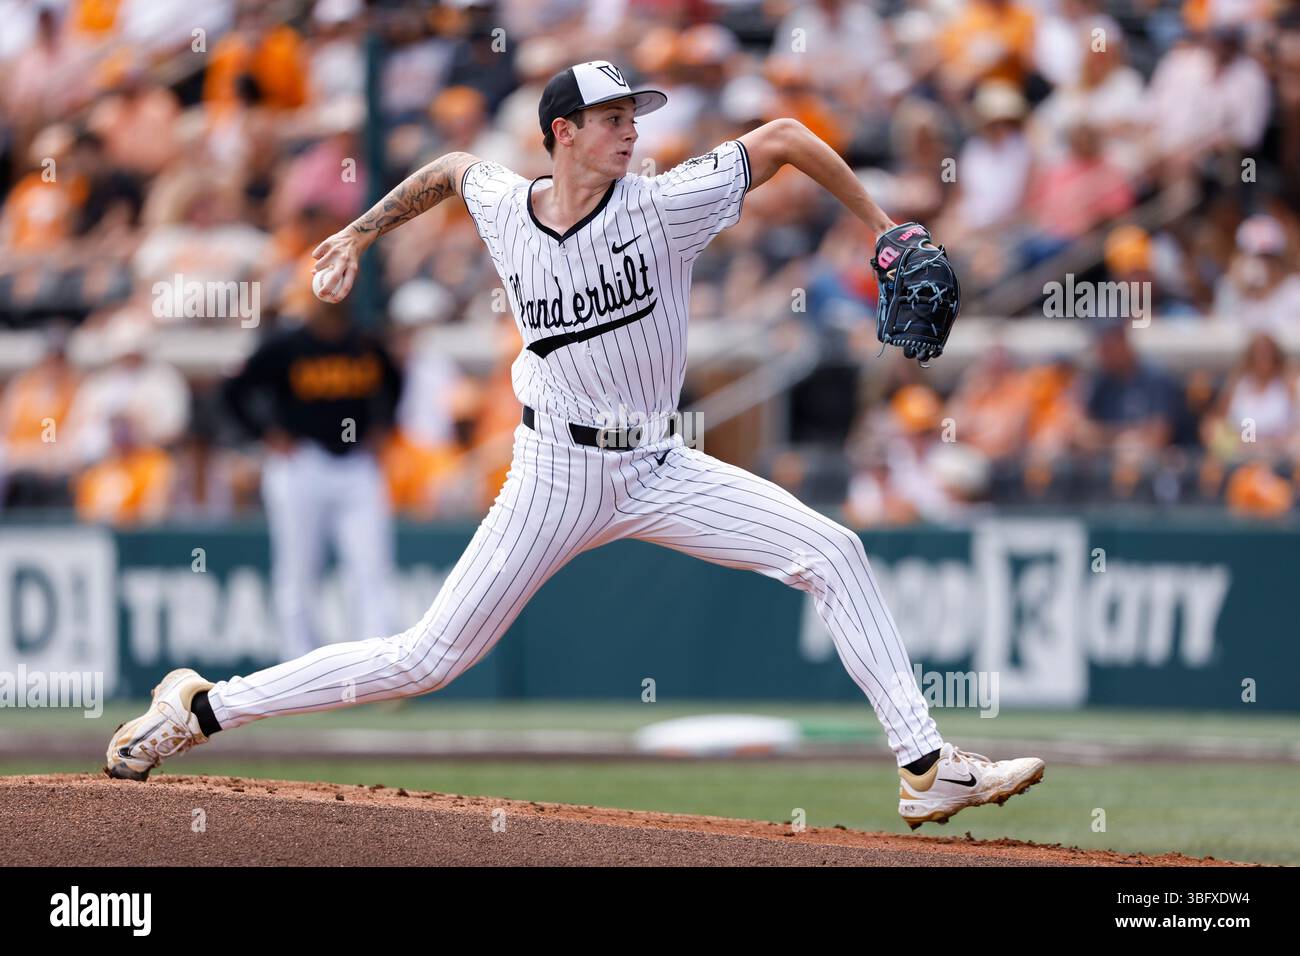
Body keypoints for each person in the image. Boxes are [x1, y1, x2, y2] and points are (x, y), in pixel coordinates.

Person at [106, 61, 1044, 830]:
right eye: (609, 117)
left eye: (634, 113)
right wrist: (358, 231)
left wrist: (882, 229)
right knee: (427, 659)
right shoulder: (508, 206)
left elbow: (790, 137)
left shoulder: (666, 203)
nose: (631, 129)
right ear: (562, 132)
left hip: (659, 464)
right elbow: (449, 166)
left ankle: (926, 767)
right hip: (554, 471)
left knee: (833, 550)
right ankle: (203, 708)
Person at [220, 289, 403, 659]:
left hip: (356, 465)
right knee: (299, 568)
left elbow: (395, 383)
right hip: (302, 462)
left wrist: (383, 426)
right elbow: (233, 388)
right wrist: (264, 434)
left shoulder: (365, 343)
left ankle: (379, 661)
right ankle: (298, 660)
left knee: (370, 565)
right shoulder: (287, 345)